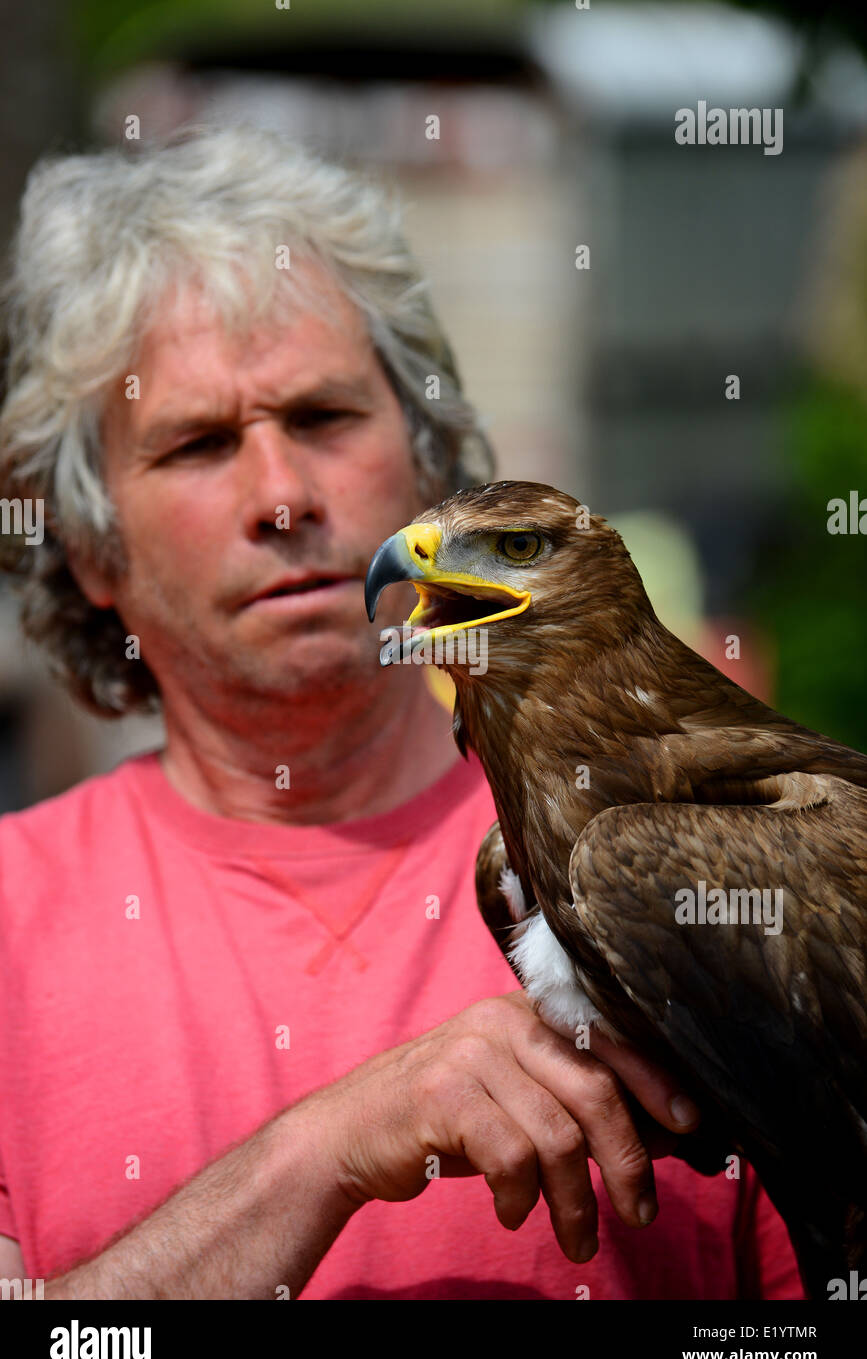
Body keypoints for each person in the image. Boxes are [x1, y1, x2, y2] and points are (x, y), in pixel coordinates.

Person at [0, 126, 802, 1300]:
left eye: (324, 418)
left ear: (429, 463)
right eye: (200, 444)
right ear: (88, 547)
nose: (283, 497)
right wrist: (316, 1156)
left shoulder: (707, 856)